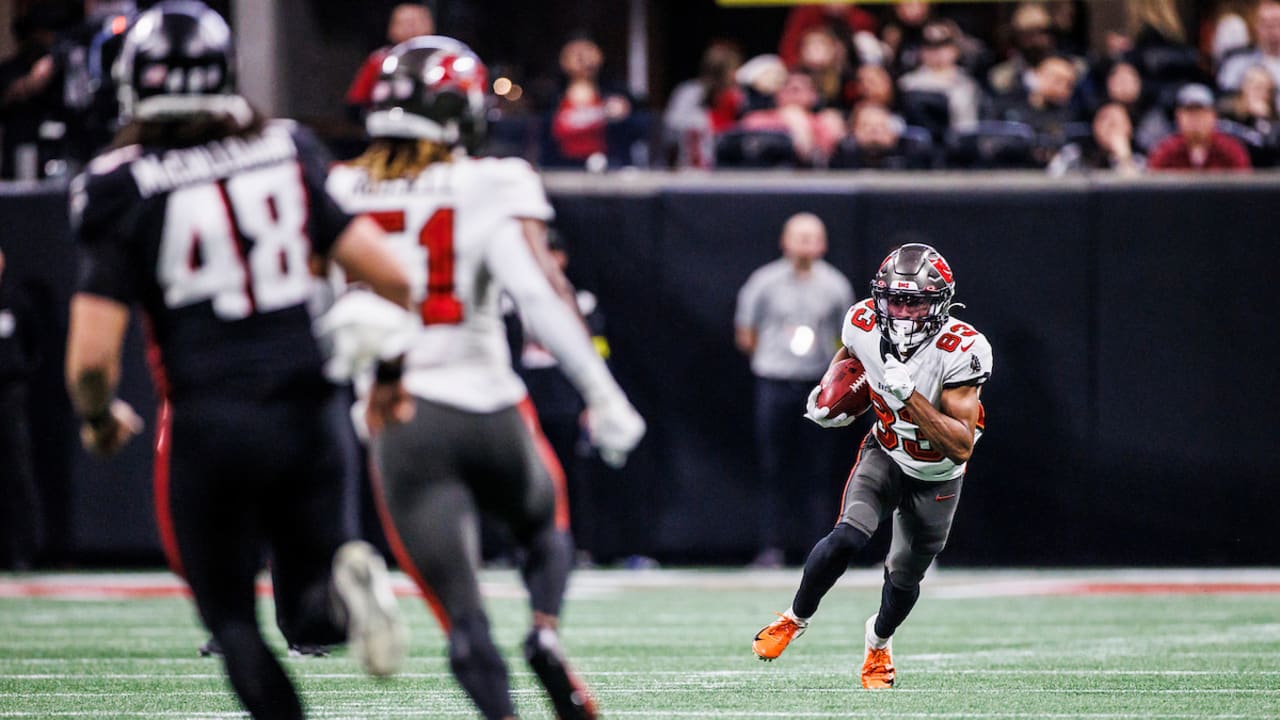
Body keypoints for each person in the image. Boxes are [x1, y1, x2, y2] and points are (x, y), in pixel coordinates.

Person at [64, 3, 411, 718]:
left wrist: (99, 417)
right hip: (312, 411)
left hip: (212, 420)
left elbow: (92, 361)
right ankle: (350, 588)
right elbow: (394, 276)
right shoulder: (287, 148)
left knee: (231, 624)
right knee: (312, 607)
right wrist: (384, 368)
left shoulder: (120, 184)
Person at [320, 35, 646, 720]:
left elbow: (316, 313)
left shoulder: (338, 186)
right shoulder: (490, 179)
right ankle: (545, 630)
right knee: (544, 526)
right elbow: (537, 295)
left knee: (462, 618)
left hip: (400, 417)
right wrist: (604, 395)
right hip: (486, 403)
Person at [751, 242, 992, 690]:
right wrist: (829, 394)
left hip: (936, 476)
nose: (900, 312)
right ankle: (795, 617)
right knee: (847, 535)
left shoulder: (964, 347)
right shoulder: (862, 319)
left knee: (903, 577)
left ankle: (878, 643)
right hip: (883, 451)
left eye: (913, 301)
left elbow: (960, 446)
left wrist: (910, 398)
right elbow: (849, 360)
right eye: (893, 299)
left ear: (938, 303)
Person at [735, 213, 853, 568]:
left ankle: (818, 549)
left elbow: (845, 340)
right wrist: (773, 358)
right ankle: (772, 547)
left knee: (817, 469)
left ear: (823, 243)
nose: (805, 244)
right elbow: (746, 333)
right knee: (774, 468)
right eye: (798, 236)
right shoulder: (764, 282)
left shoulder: (835, 285)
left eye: (811, 237)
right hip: (774, 381)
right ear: (784, 241)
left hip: (817, 387)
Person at [0, 246, 42, 571]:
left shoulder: (15, 300)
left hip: (10, 395)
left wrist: (20, 374)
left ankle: (22, 553)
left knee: (17, 473)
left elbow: (35, 345)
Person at [345, 2, 435, 117]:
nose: (410, 29)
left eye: (414, 23)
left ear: (429, 25)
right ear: (391, 29)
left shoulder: (446, 59)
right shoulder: (379, 60)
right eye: (403, 23)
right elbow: (356, 102)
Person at [1148, 83, 1252, 171]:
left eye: (1201, 113)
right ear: (1178, 117)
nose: (1195, 119)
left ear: (1213, 116)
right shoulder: (1166, 151)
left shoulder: (1230, 150)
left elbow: (1244, 186)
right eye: (1189, 113)